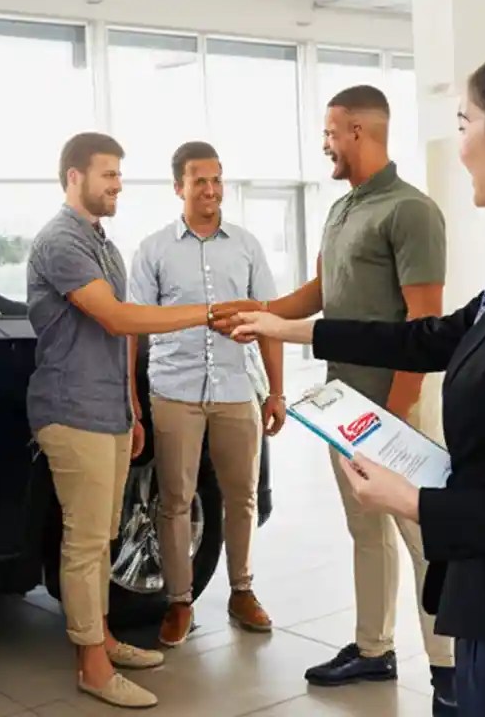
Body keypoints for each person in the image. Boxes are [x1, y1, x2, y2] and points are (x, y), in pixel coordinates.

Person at [220, 37, 485, 717]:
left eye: (461, 125)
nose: (459, 146)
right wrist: (290, 328)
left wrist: (416, 501)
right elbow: (436, 336)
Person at [26, 132, 253, 709]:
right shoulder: (60, 242)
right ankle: (92, 665)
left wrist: (129, 410)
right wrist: (206, 313)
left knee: (102, 538)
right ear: (74, 177)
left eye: (120, 175)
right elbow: (119, 317)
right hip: (71, 410)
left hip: (105, 410)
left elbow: (118, 341)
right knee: (83, 543)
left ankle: (101, 637)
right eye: (108, 174)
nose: (118, 184)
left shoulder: (101, 242)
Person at [247, 84, 456, 708]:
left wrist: (393, 420)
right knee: (365, 532)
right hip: (343, 407)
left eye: (332, 131)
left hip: (394, 409)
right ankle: (373, 650)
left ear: (360, 131)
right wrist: (256, 314)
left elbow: (425, 327)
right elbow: (320, 293)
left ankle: (449, 668)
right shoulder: (342, 210)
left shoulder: (412, 212)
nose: (326, 143)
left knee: (423, 539)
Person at [128, 141, 285, 648]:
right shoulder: (153, 249)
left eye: (217, 180)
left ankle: (243, 592)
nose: (212, 189)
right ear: (179, 187)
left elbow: (269, 321)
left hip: (238, 389)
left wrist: (276, 392)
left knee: (240, 498)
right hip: (174, 391)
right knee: (175, 500)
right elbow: (135, 328)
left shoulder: (245, 245)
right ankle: (179, 602)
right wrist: (131, 397)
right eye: (200, 181)